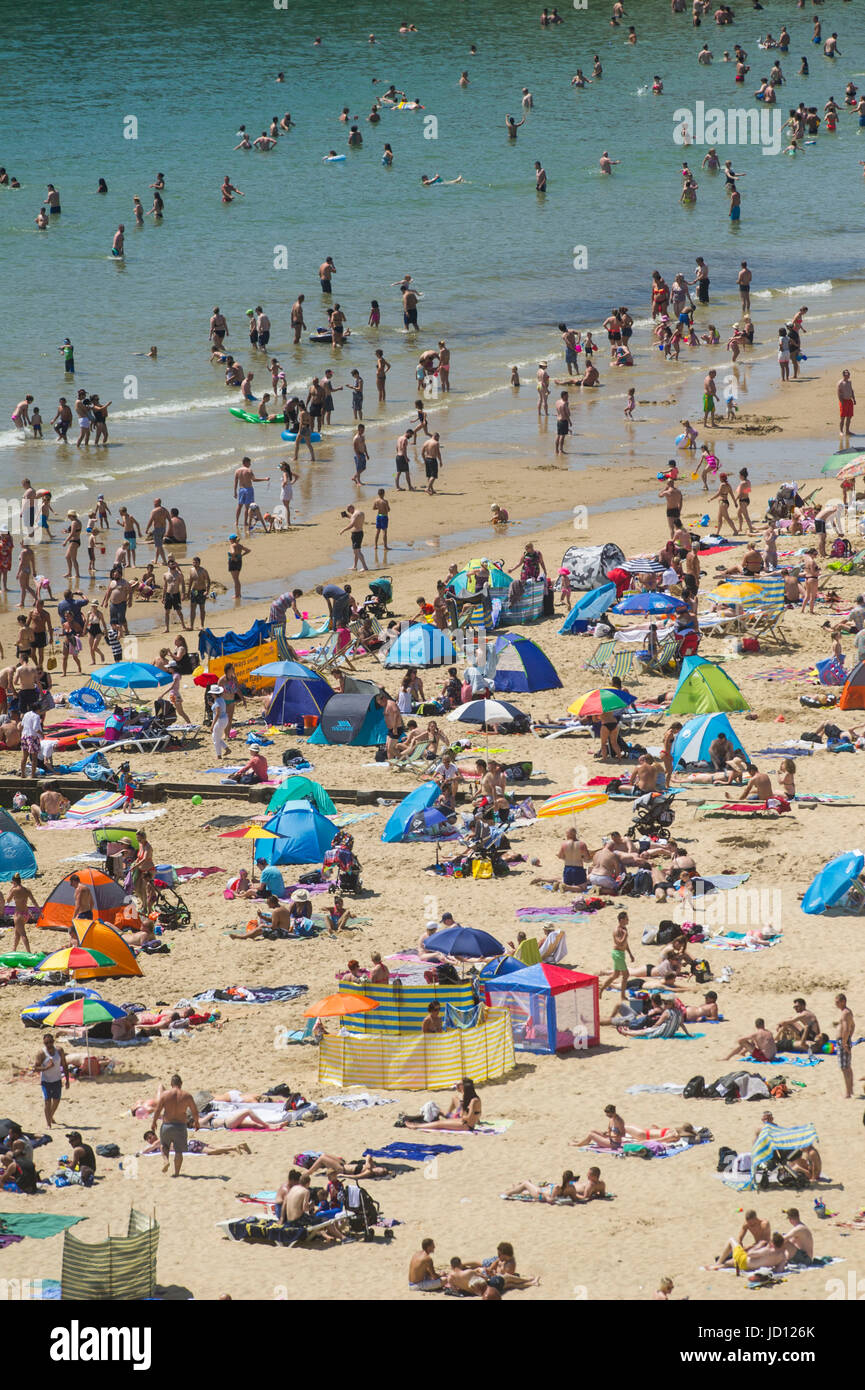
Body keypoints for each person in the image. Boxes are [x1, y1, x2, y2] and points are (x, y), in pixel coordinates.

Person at [151, 1074, 200, 1177]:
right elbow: (194, 1111)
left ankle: (165, 1161)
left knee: (164, 1146)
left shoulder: (165, 1095)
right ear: (181, 1084)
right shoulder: (187, 1096)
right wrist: (196, 1122)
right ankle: (177, 1173)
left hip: (167, 1125)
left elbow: (158, 1110)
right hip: (180, 1126)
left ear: (171, 1084)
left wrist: (154, 1122)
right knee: (178, 1151)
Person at [35, 1034, 69, 1127]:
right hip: (46, 1081)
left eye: (50, 1042)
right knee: (47, 1101)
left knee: (57, 1101)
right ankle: (48, 1124)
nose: (49, 1044)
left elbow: (64, 1065)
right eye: (46, 1043)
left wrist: (67, 1079)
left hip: (57, 1079)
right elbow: (36, 1068)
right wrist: (47, 1067)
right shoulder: (41, 1053)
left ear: (53, 1042)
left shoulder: (59, 1050)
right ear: (44, 1043)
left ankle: (50, 1116)